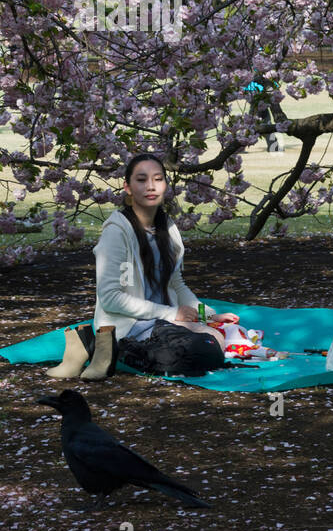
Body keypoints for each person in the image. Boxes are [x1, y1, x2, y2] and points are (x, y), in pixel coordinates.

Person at [46, 152, 227, 381]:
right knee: (202, 350)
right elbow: (111, 297)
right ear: (128, 188)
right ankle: (107, 350)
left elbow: (176, 284)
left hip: (164, 321)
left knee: (218, 338)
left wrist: (209, 315)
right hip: (130, 326)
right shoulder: (116, 232)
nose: (151, 186)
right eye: (141, 180)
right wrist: (172, 313)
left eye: (158, 179)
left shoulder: (167, 228)